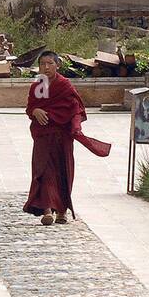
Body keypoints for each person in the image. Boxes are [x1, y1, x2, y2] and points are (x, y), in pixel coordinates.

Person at [24, 51, 112, 226]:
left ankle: (62, 211)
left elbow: (76, 109)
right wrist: (35, 111)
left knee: (63, 173)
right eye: (42, 64)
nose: (46, 67)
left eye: (50, 63)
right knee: (43, 172)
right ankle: (47, 210)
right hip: (43, 137)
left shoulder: (64, 85)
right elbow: (31, 107)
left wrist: (76, 128)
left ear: (58, 65)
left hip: (61, 138)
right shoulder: (39, 86)